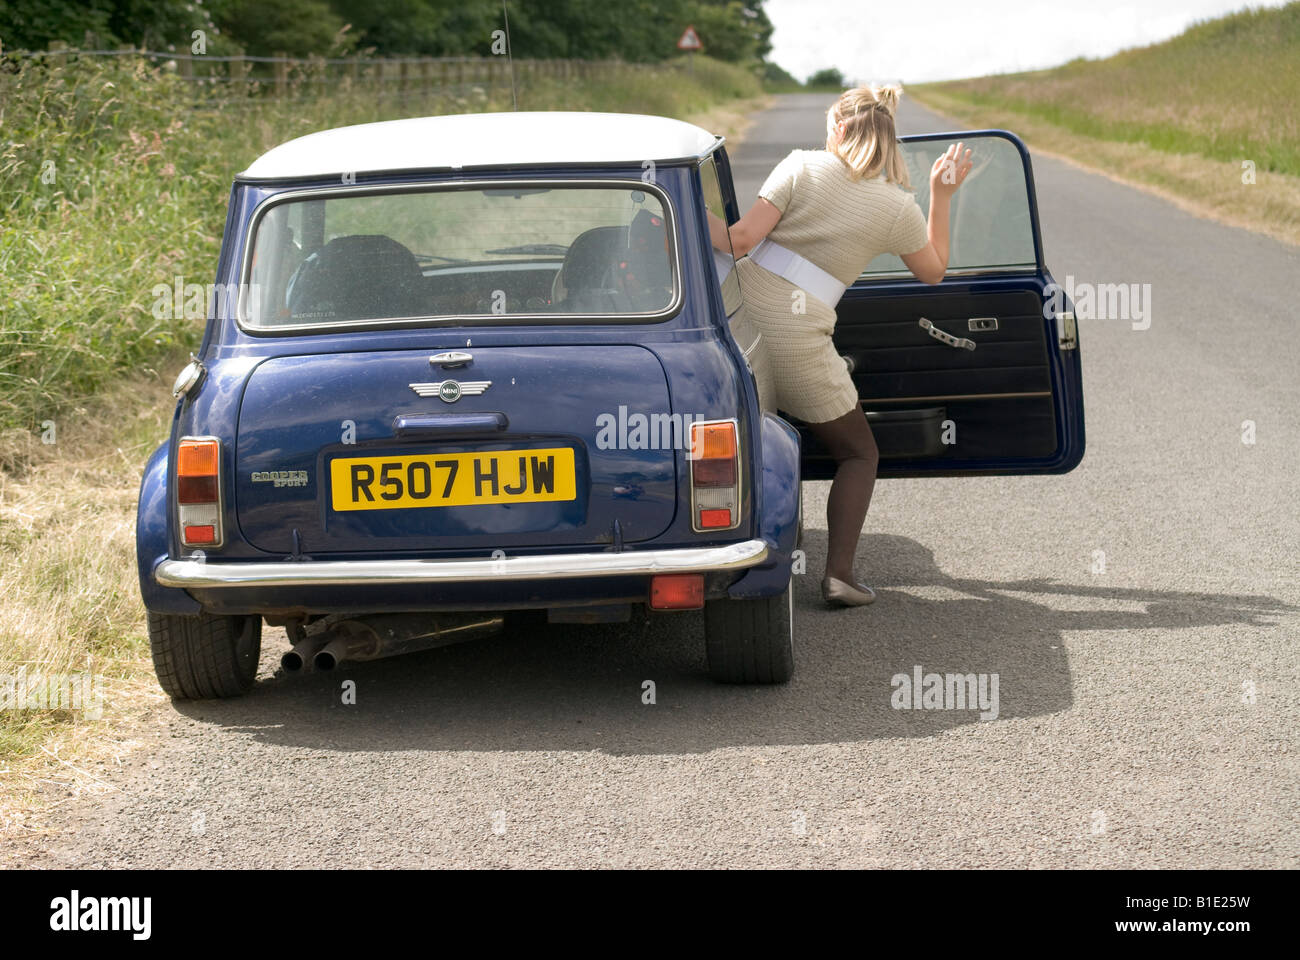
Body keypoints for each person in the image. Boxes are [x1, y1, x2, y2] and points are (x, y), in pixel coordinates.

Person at [711, 84, 973, 607]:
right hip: (796, 338)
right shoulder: (898, 208)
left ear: (843, 129)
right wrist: (942, 196)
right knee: (858, 451)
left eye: (830, 125)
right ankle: (840, 577)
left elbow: (738, 241)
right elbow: (934, 272)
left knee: (736, 432)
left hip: (734, 316)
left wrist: (668, 214)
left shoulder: (800, 167)